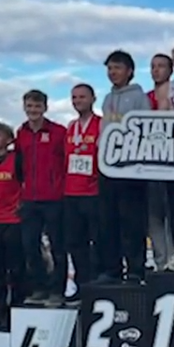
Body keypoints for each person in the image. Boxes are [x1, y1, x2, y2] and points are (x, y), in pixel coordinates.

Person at [99, 50, 152, 284]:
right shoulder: (107, 98)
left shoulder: (139, 97)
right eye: (109, 68)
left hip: (132, 168)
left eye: (117, 68)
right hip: (108, 167)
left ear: (129, 71)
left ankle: (135, 269)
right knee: (109, 221)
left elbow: (147, 128)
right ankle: (112, 269)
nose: (112, 72)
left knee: (132, 221)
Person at [16, 90, 69, 307]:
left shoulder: (58, 132)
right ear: (24, 107)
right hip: (30, 199)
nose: (33, 110)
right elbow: (19, 164)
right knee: (29, 245)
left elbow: (66, 162)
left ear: (45, 108)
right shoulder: (22, 133)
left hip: (55, 198)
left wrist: (61, 188)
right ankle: (39, 288)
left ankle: (58, 290)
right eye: (29, 106)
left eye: (37, 106)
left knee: (58, 245)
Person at [0, 122, 27, 328]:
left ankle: (17, 308)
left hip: (14, 221)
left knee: (16, 269)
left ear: (8, 140)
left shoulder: (16, 160)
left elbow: (27, 184)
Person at [64, 84, 103, 305]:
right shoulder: (71, 127)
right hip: (71, 192)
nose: (78, 101)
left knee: (96, 240)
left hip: (93, 192)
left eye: (82, 96)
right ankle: (80, 284)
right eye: (74, 97)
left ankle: (96, 283)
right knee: (75, 242)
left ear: (93, 98)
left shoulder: (101, 124)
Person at [145, 53, 174, 272]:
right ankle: (161, 261)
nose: (156, 70)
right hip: (151, 164)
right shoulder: (146, 97)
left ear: (170, 70)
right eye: (153, 66)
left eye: (161, 66)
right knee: (154, 215)